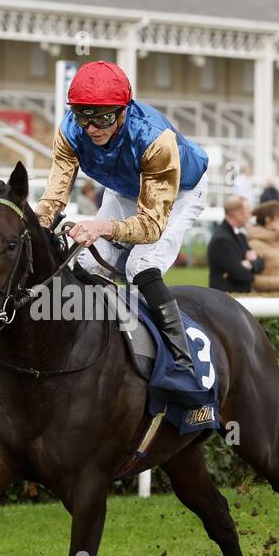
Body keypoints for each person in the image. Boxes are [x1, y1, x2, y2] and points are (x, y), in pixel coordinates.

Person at [34, 60, 208, 368]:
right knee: (87, 264)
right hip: (124, 186)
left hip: (178, 191)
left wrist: (101, 227)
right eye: (83, 119)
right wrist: (37, 225)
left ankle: (182, 360)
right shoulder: (70, 130)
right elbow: (54, 196)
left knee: (140, 266)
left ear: (123, 111)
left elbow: (151, 226)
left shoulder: (155, 138)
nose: (91, 129)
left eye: (102, 120)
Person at [208, 196, 263, 293]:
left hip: (238, 298)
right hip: (224, 301)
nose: (250, 215)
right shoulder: (221, 240)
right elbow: (242, 275)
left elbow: (261, 262)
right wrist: (253, 264)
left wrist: (249, 264)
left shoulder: (240, 236)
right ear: (237, 214)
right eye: (247, 211)